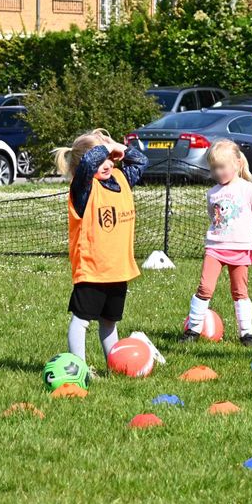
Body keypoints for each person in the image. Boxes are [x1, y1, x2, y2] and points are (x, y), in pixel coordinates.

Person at [55, 129, 148, 365]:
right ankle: (79, 366)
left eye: (110, 159)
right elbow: (89, 162)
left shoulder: (121, 179)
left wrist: (116, 146)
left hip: (118, 269)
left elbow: (141, 160)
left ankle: (114, 363)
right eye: (101, 159)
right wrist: (105, 148)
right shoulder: (83, 188)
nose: (106, 164)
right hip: (92, 270)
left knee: (109, 321)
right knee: (82, 320)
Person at [181, 140, 252, 346]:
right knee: (205, 288)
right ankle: (192, 330)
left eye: (222, 167)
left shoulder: (248, 190)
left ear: (237, 164)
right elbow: (212, 218)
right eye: (214, 168)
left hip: (241, 250)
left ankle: (246, 334)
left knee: (240, 292)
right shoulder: (212, 193)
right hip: (214, 249)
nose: (218, 172)